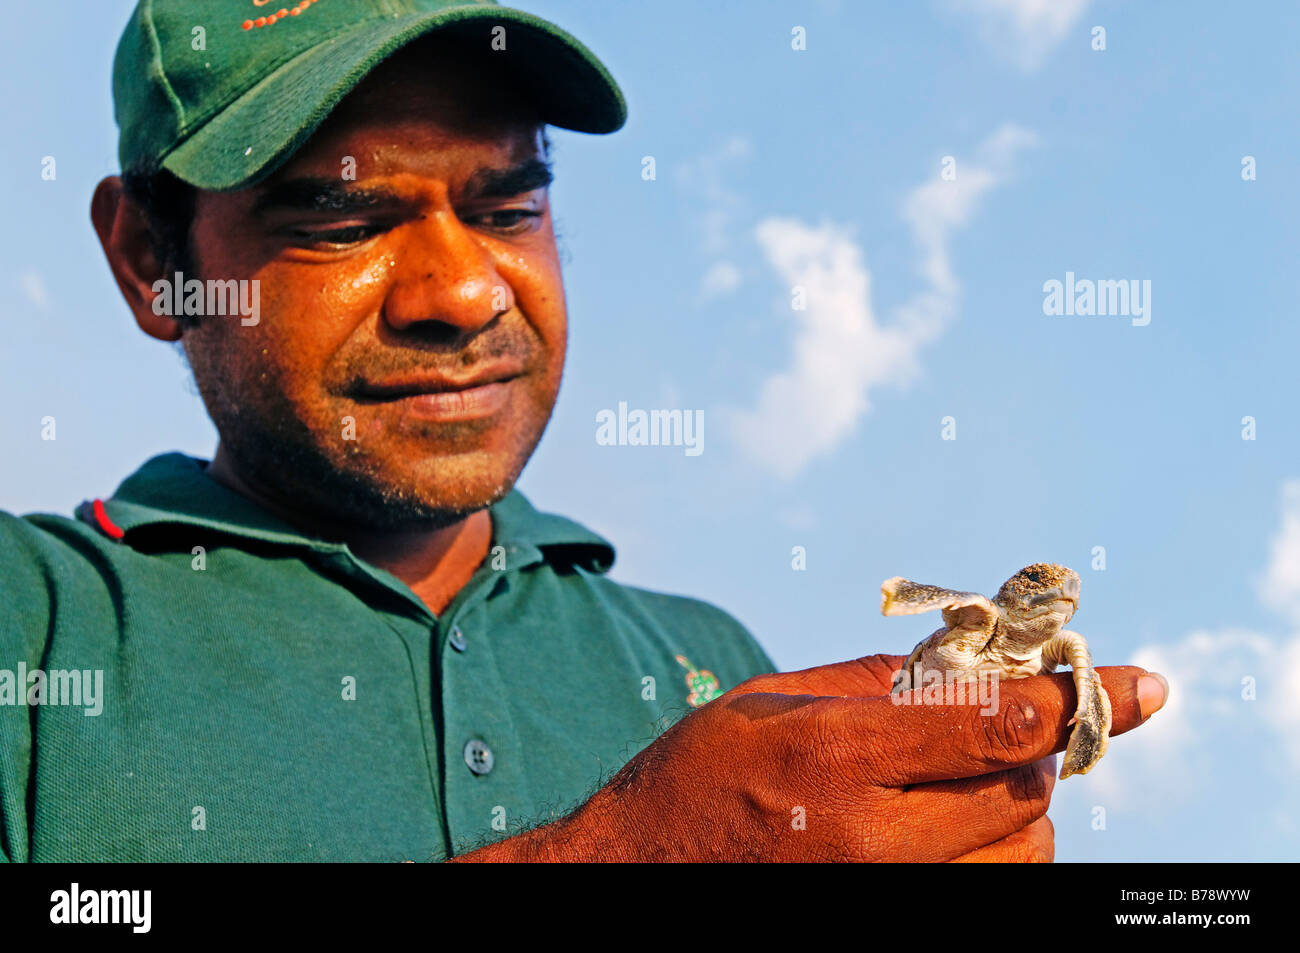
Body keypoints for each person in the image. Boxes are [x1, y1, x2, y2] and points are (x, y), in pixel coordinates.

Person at [0, 0, 1166, 862]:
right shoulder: (32, 620)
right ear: (152, 260)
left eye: (508, 206)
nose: (460, 292)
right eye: (346, 219)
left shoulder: (711, 666)